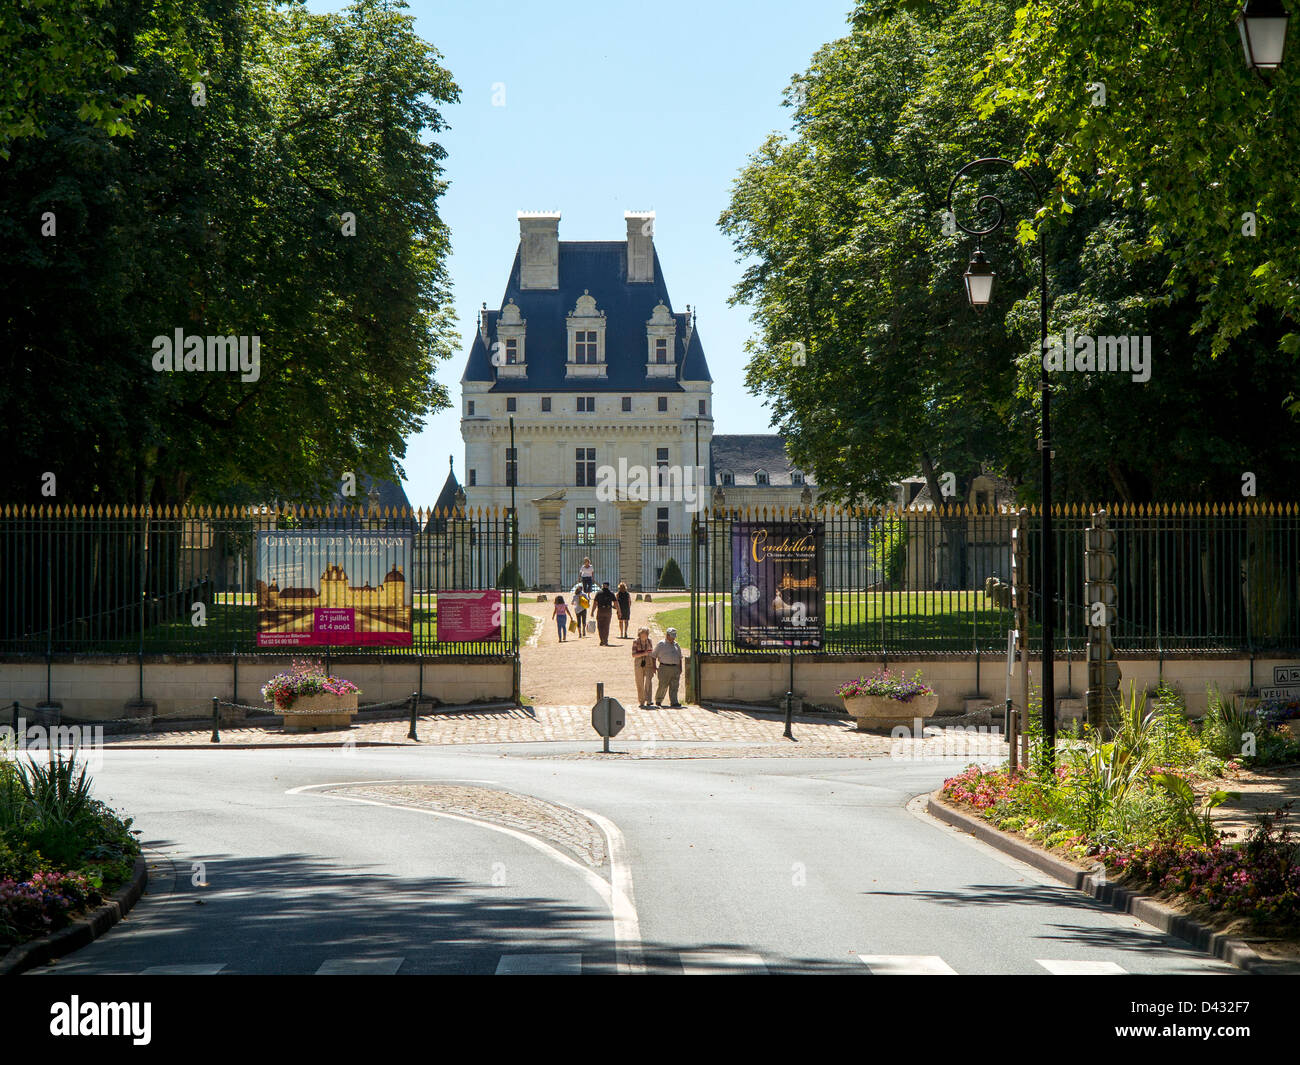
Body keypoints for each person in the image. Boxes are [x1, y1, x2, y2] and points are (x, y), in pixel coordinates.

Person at [653, 627, 684, 708]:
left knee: (675, 686)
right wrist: (654, 666)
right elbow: (654, 655)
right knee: (663, 685)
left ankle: (674, 701)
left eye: (674, 636)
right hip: (664, 667)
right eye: (671, 636)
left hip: (675, 668)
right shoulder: (661, 644)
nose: (673, 638)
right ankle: (658, 700)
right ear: (667, 635)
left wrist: (680, 668)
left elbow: (680, 657)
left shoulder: (676, 644)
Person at [631, 627, 656, 707]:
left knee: (649, 681)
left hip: (648, 661)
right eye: (643, 634)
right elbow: (633, 655)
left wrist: (653, 665)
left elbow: (651, 652)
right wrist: (643, 653)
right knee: (639, 682)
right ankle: (641, 700)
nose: (644, 635)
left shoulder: (649, 641)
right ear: (639, 634)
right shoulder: (635, 641)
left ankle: (649, 700)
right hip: (639, 662)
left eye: (645, 634)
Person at [593, 581, 616, 645]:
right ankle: (605, 640)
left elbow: (595, 603)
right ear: (608, 586)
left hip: (600, 610)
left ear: (602, 585)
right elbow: (616, 603)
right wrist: (618, 611)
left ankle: (602, 640)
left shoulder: (598, 593)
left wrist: (592, 611)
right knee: (606, 626)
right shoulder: (611, 593)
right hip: (608, 611)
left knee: (600, 626)